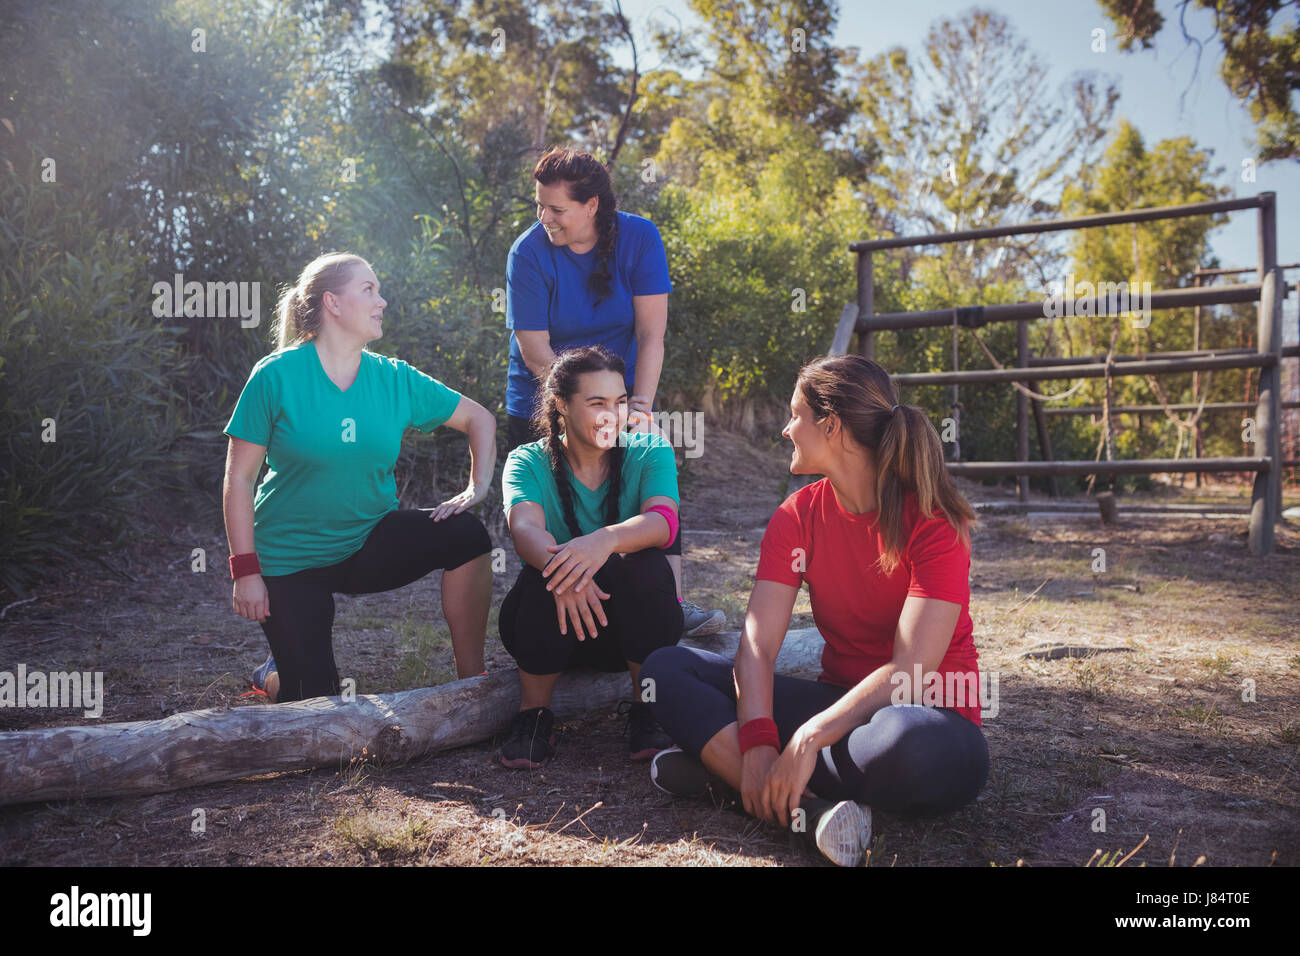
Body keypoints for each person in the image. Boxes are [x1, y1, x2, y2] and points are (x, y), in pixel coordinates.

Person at [640, 355, 989, 867]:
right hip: (837, 707)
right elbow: (757, 647)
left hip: (923, 717)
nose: (786, 429)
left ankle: (726, 775)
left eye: (795, 415)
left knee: (911, 745)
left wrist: (807, 738)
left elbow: (911, 672)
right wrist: (759, 740)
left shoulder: (934, 522)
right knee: (666, 670)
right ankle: (799, 804)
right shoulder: (797, 516)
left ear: (832, 426)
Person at [222, 252, 496, 703]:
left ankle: (472, 685)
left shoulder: (393, 378)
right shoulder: (275, 376)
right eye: (368, 289)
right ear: (332, 302)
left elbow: (480, 419)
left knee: (465, 535)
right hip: (291, 559)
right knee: (315, 700)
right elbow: (240, 480)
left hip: (368, 540)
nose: (382, 301)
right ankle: (271, 674)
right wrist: (245, 571)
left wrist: (477, 487)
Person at [503, 145, 723, 637]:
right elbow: (535, 350)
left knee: (649, 482)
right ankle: (554, 616)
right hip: (543, 397)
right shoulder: (528, 252)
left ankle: (670, 606)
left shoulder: (640, 237)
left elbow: (651, 335)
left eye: (556, 209)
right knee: (552, 515)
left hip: (619, 398)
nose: (545, 218)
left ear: (592, 206)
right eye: (538, 205)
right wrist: (579, 406)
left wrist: (636, 407)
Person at [497, 346, 684, 768]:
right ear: (561, 405)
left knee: (645, 563)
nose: (611, 414)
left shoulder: (649, 450)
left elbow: (662, 523)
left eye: (619, 402)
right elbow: (523, 530)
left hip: (628, 635)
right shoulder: (527, 460)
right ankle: (534, 715)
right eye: (596, 403)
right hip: (554, 626)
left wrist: (601, 542)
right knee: (540, 573)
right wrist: (567, 572)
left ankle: (646, 708)